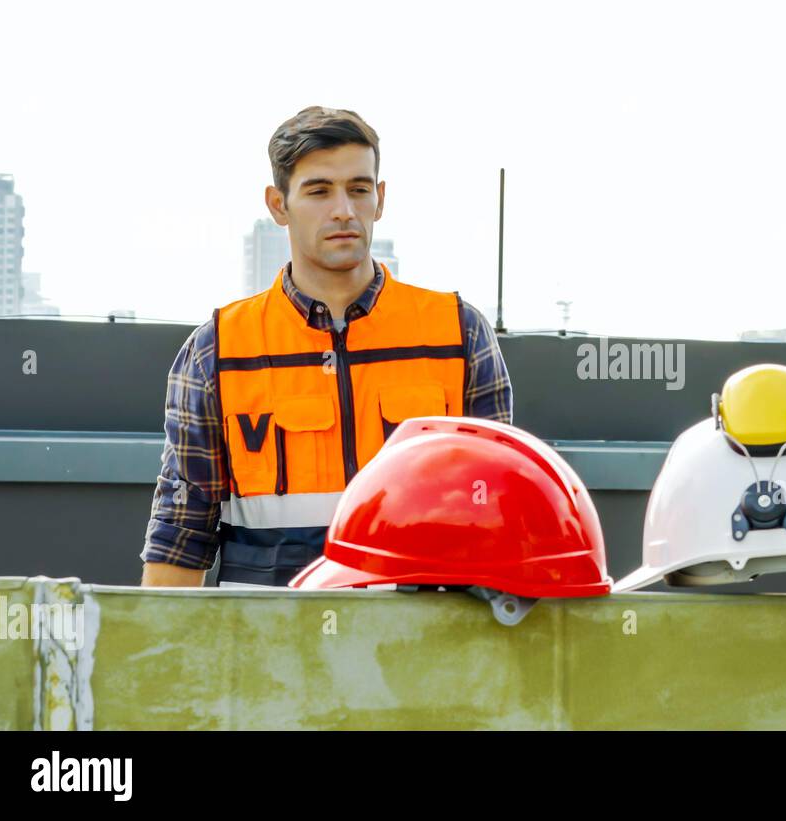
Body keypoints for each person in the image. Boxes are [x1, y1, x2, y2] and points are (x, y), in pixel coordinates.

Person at [140, 106, 512, 587]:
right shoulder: (217, 350)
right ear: (278, 205)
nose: (344, 210)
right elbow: (181, 533)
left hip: (419, 652)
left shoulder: (459, 335)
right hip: (268, 650)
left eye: (359, 189)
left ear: (379, 199)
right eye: (319, 191)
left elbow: (496, 517)